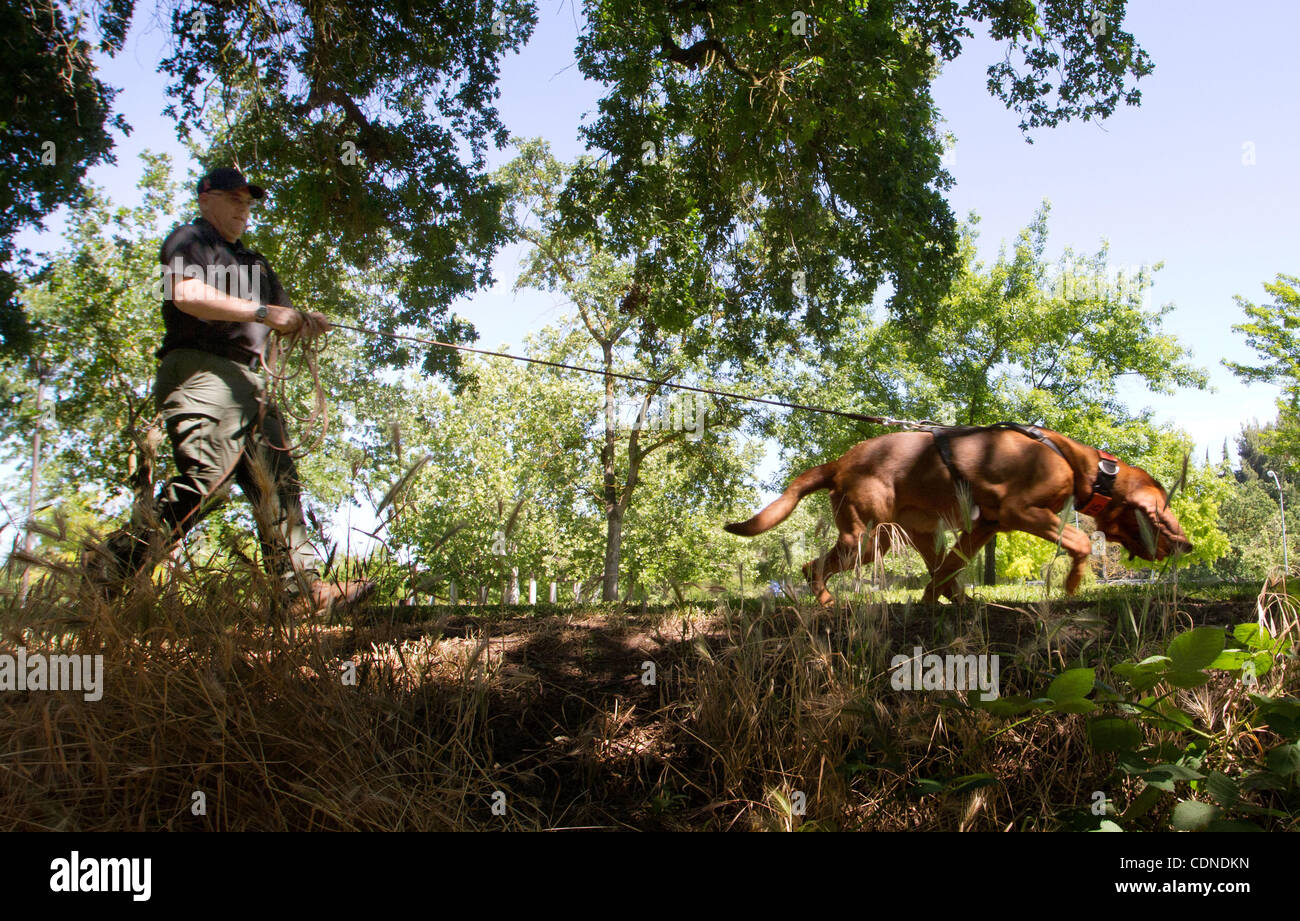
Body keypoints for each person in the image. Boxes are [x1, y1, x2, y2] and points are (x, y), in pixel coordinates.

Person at [90, 167, 373, 616]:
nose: (244, 208)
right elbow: (185, 295)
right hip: (202, 370)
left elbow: (279, 320)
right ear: (206, 198)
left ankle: (300, 593)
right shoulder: (190, 241)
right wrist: (266, 313)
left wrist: (302, 322)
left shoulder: (256, 265)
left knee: (278, 484)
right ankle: (111, 562)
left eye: (248, 201)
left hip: (253, 383)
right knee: (207, 478)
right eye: (234, 199)